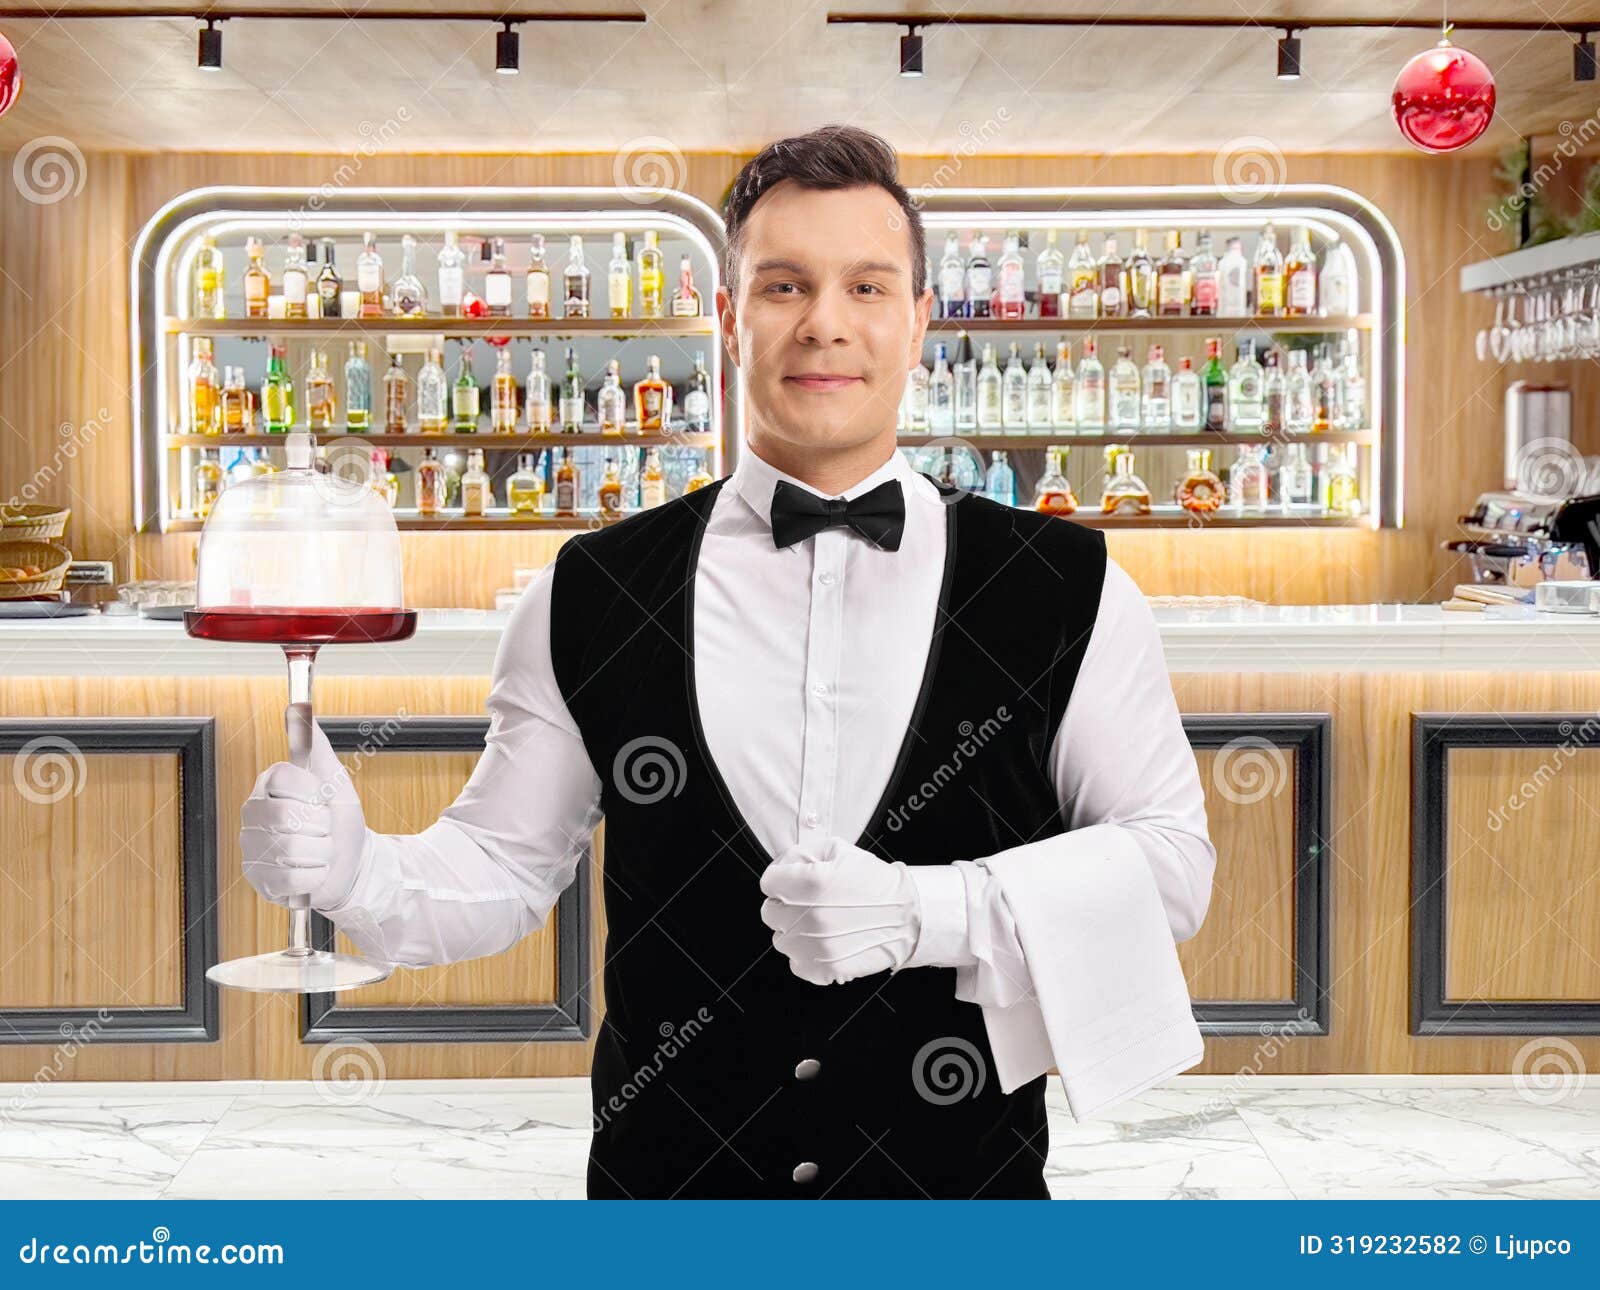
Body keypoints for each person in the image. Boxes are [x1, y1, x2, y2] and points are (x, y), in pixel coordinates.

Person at [240, 124, 1216, 1199]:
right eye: (784, 285)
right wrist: (352, 870)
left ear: (922, 321)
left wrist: (923, 913)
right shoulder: (588, 589)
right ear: (728, 321)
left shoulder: (1070, 586)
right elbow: (504, 871)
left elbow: (1171, 865)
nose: (825, 324)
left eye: (868, 287)